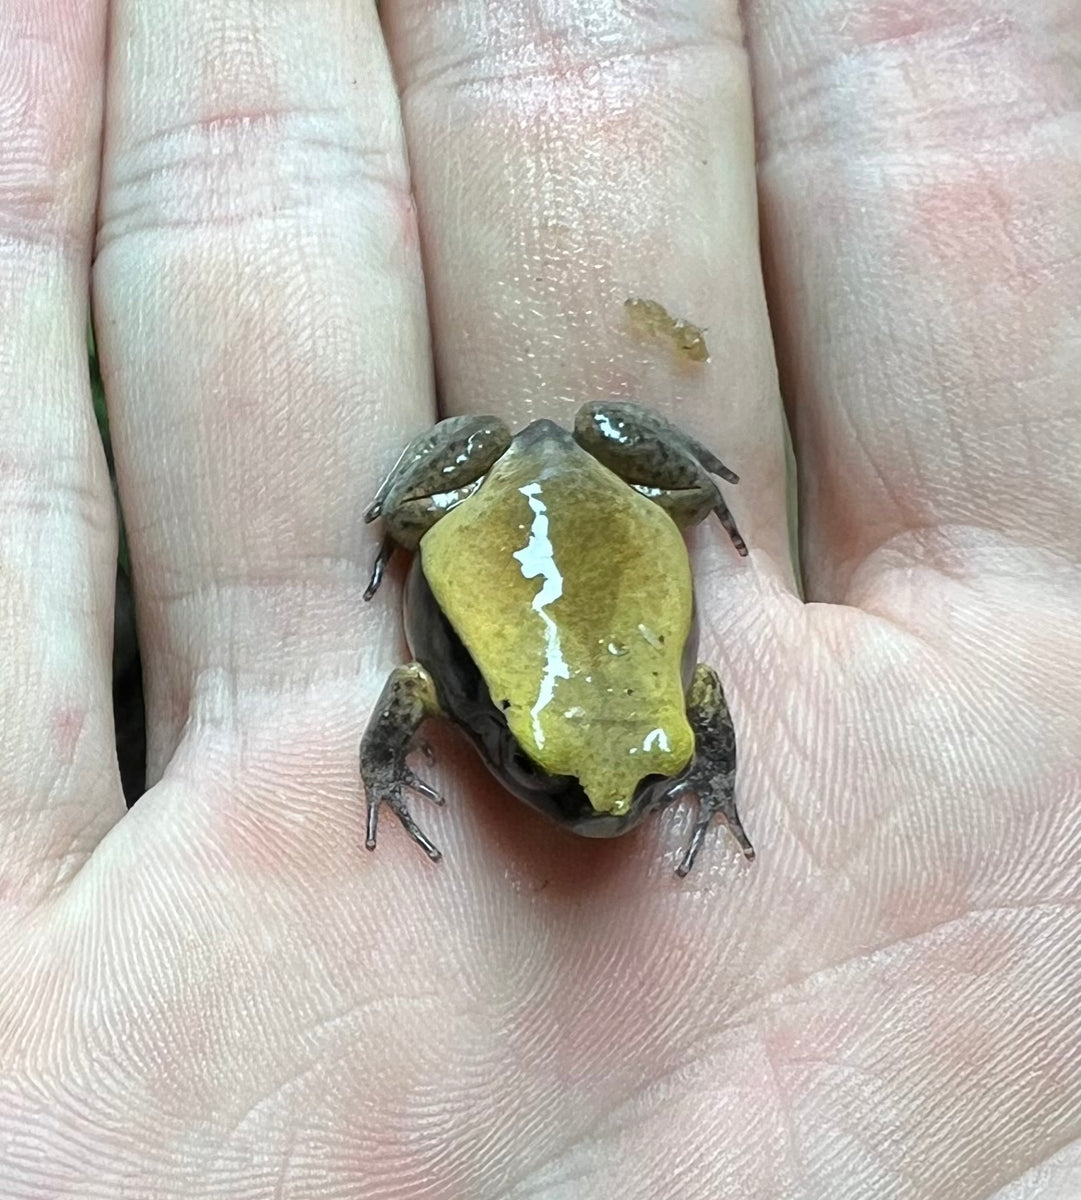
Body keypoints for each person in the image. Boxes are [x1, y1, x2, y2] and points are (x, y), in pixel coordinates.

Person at [2, 2, 1079, 1196]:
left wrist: (699, 765)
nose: (609, 813)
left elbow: (684, 697)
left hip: (602, 491)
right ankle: (490, 503)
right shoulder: (485, 702)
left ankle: (683, 480)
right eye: (571, 781)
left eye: (659, 770)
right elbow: (417, 684)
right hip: (505, 497)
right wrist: (381, 755)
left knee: (605, 482)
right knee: (413, 519)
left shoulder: (661, 728)